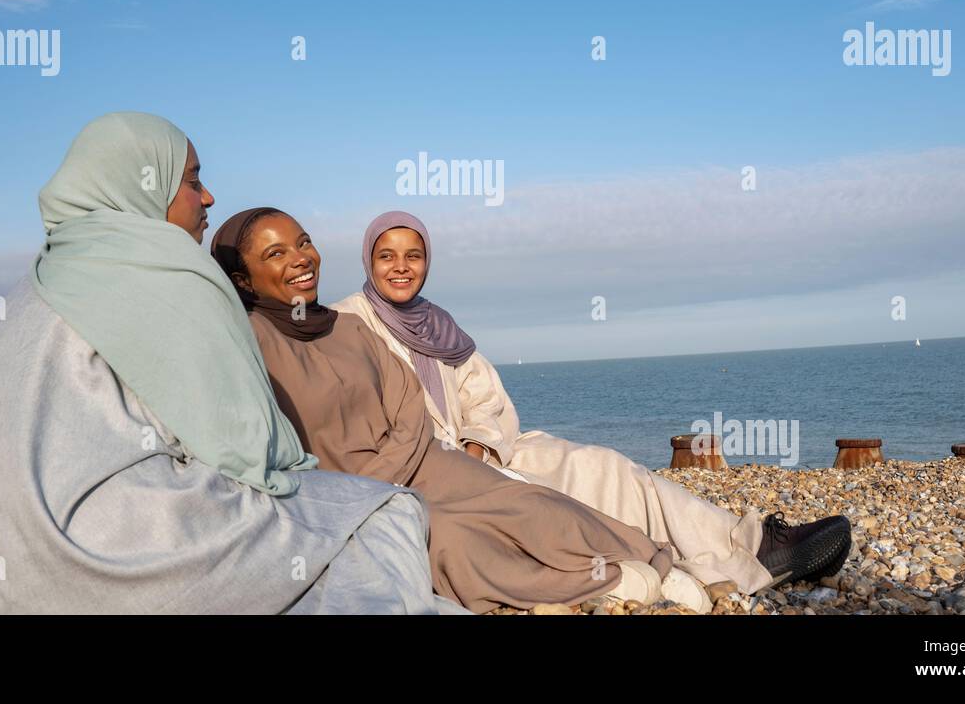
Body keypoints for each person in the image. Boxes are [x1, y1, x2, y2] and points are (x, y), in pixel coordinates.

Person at [0, 114, 454, 615]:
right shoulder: (171, 270)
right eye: (191, 179)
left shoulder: (33, 284)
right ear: (145, 182)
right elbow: (247, 453)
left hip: (8, 580)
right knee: (381, 509)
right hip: (123, 568)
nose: (208, 195)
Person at [214, 207, 760, 614]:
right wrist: (378, 481)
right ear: (242, 276)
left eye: (303, 242)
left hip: (444, 453)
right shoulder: (262, 341)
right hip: (360, 488)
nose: (300, 258)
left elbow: (442, 398)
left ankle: (698, 554)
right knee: (454, 539)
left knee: (565, 486)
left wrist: (478, 441)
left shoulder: (376, 328)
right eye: (276, 253)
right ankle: (606, 580)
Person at [331, 210, 853, 594]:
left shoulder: (439, 324)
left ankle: (751, 543)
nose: (401, 267)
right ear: (368, 261)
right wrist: (448, 461)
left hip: (484, 452)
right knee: (556, 509)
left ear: (427, 262)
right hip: (421, 472)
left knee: (602, 467)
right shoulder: (347, 324)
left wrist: (481, 444)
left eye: (413, 255)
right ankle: (682, 570)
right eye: (387, 255)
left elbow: (484, 397)